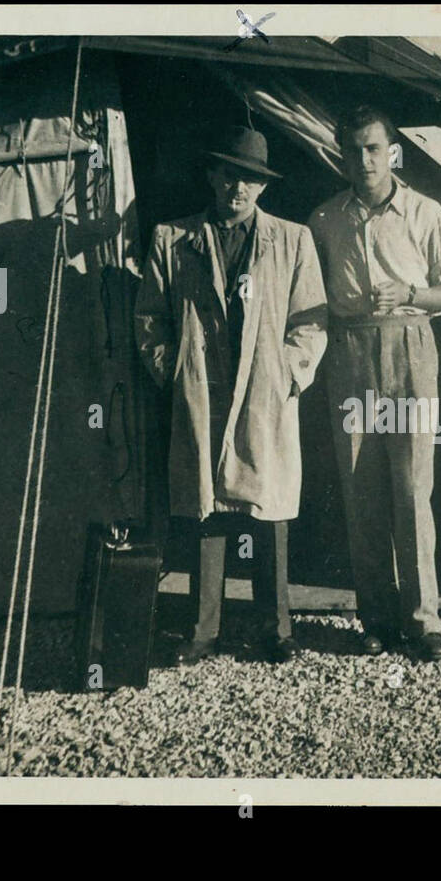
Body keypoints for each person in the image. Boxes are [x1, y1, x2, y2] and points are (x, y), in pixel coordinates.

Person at [136, 125, 328, 663]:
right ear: (211, 175)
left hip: (264, 392)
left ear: (262, 186)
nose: (236, 188)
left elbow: (311, 321)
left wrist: (289, 374)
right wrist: (172, 370)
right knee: (208, 507)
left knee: (269, 511)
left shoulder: (293, 241)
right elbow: (149, 318)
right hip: (202, 390)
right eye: (227, 175)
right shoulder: (173, 239)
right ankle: (203, 630)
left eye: (248, 179)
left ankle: (276, 628)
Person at [309, 106, 441, 661]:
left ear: (392, 151)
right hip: (350, 353)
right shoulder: (324, 222)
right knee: (362, 487)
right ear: (340, 154)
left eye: (373, 148)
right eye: (353, 150)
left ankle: (425, 622)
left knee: (411, 487)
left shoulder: (426, 212)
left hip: (411, 351)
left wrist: (410, 295)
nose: (364, 159)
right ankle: (376, 618)